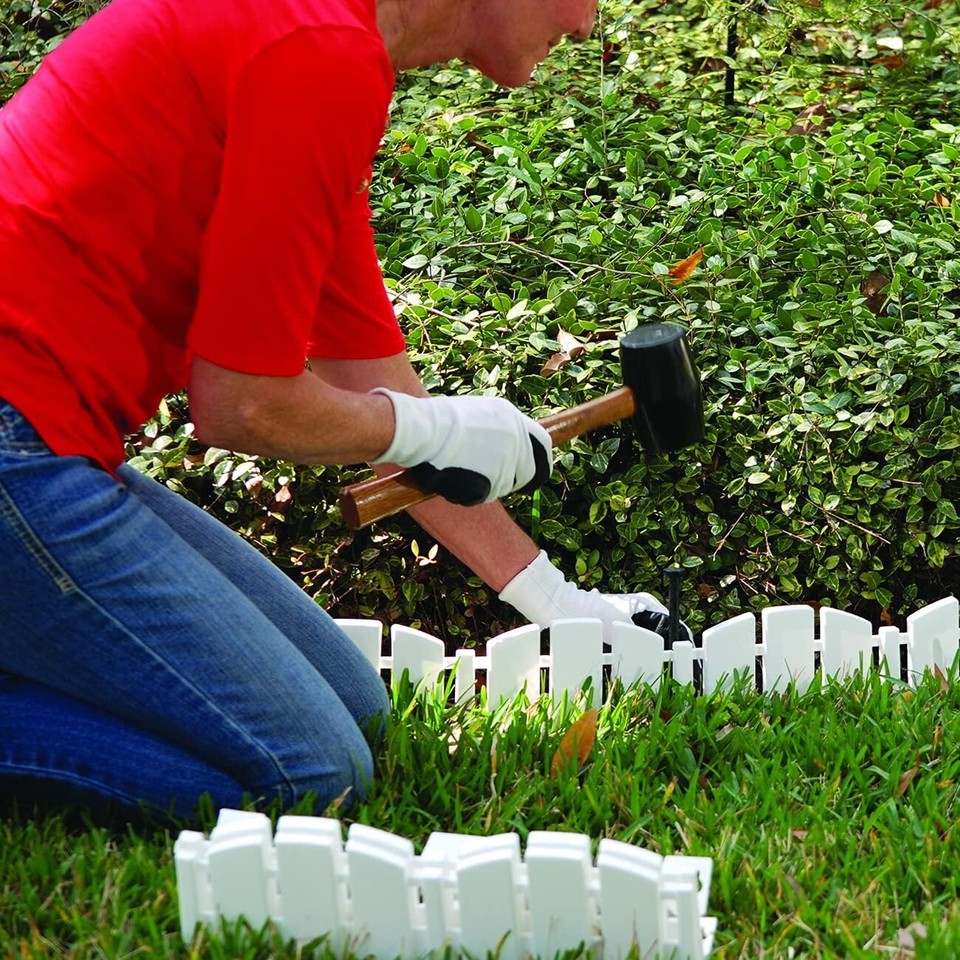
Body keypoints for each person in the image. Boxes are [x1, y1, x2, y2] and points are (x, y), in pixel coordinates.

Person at [0, 0, 683, 818]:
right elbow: (241, 405)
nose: (587, 24)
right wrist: (437, 428)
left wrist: (561, 604)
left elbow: (374, 394)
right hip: (17, 438)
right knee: (308, 775)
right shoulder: (315, 52)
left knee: (362, 711)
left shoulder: (326, 47)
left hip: (46, 439)